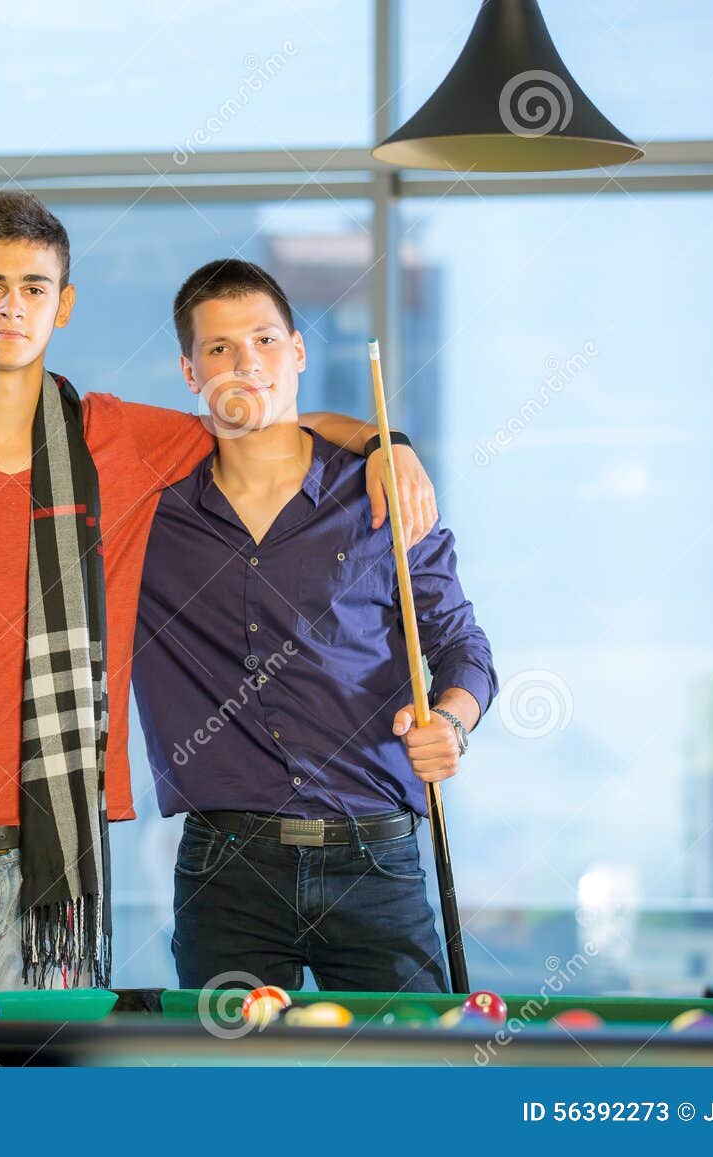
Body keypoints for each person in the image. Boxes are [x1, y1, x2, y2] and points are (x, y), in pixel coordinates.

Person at [0, 192, 440, 993]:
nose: (10, 307)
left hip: (58, 866)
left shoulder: (116, 439)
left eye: (33, 287)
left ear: (62, 306)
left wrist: (387, 442)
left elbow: (259, 414)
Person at [133, 258, 498, 993]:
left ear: (298, 351)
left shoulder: (383, 496)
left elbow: (464, 648)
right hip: (224, 868)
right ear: (189, 370)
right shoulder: (149, 511)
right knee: (234, 1097)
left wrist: (453, 723)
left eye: (265, 341)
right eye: (219, 349)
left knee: (415, 1086)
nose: (247, 364)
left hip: (377, 856)